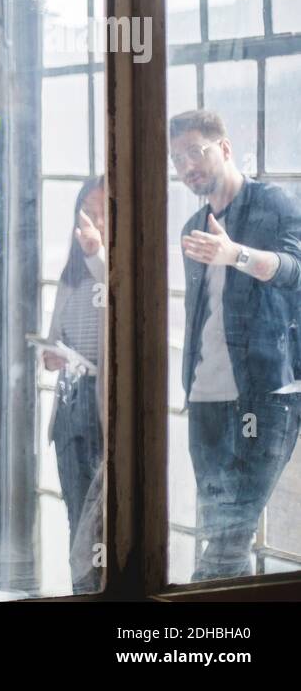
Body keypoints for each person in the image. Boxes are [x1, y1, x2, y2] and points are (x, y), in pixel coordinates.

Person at [170, 109, 301, 581]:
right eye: (177, 158)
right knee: (225, 540)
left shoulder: (273, 205)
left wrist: (236, 254)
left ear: (224, 149)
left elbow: (294, 271)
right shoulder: (192, 226)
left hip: (264, 398)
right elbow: (202, 314)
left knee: (226, 540)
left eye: (195, 151)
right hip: (205, 400)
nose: (187, 166)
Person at [40, 176, 105, 593]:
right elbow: (55, 340)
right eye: (88, 215)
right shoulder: (70, 274)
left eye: (102, 215)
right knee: (76, 515)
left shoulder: (115, 269)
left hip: (101, 406)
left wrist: (98, 254)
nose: (94, 225)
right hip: (69, 403)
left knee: (100, 522)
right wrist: (52, 354)